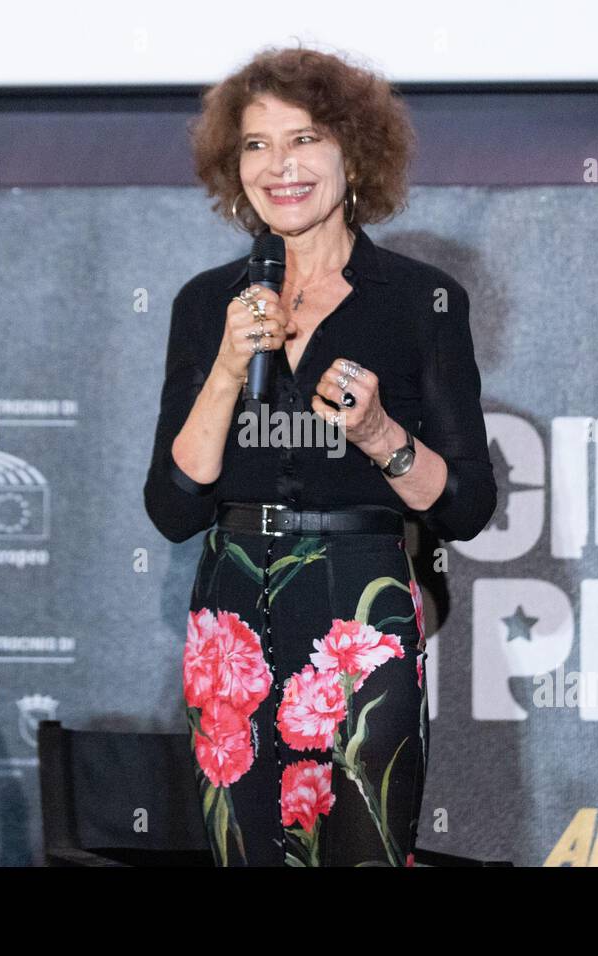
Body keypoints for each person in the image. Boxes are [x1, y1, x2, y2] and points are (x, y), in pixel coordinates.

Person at [143, 46, 497, 866]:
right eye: (256, 146)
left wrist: (379, 435)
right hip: (231, 605)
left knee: (365, 851)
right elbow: (172, 508)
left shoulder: (421, 302)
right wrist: (230, 367)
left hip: (360, 603)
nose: (280, 166)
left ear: (353, 152)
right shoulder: (208, 306)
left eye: (302, 139)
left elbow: (467, 508)